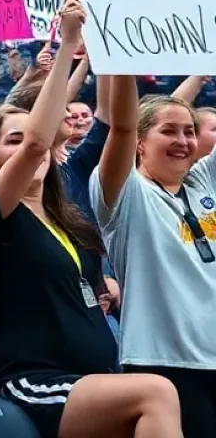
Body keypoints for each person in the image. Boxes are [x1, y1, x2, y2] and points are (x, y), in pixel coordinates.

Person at [0, 0, 182, 438]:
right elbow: (38, 144)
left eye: (30, 137)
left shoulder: (67, 218)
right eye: (13, 141)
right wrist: (68, 46)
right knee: (157, 392)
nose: (30, 147)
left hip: (94, 378)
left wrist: (120, 55)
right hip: (35, 382)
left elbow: (121, 127)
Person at [91, 82, 216, 437]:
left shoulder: (205, 181)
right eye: (168, 131)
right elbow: (122, 126)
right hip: (161, 361)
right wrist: (123, 62)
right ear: (140, 143)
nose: (183, 140)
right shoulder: (126, 195)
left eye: (189, 131)